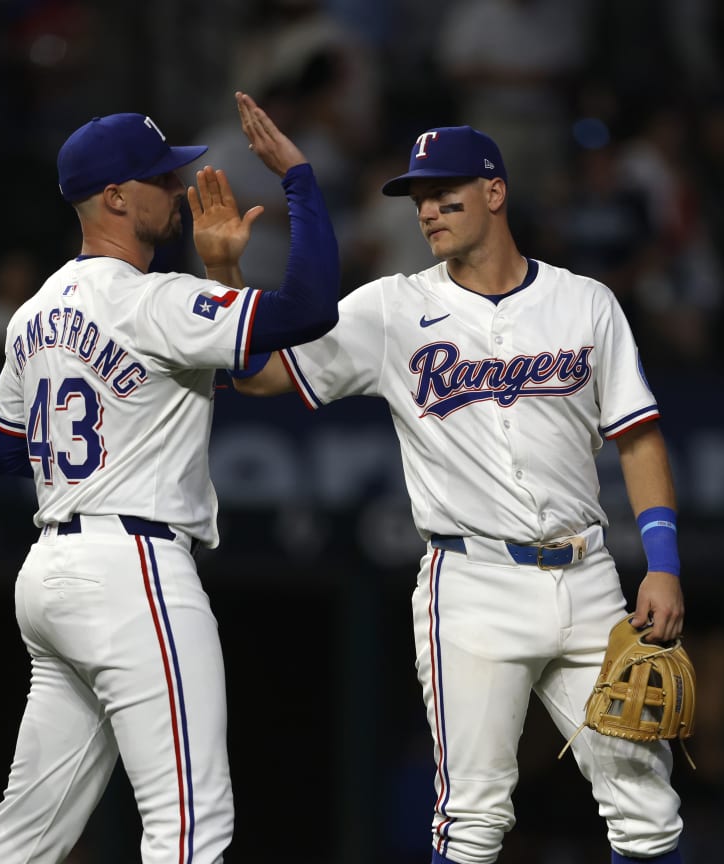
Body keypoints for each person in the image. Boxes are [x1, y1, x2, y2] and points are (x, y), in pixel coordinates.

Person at [235, 126, 687, 863]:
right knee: (473, 820)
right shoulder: (392, 309)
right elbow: (262, 375)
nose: (427, 211)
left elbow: (638, 438)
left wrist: (662, 564)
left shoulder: (585, 302)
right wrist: (225, 275)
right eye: (418, 199)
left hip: (589, 578)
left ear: (495, 192)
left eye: (445, 195)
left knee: (648, 810)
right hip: (474, 583)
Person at [0, 93, 339, 863]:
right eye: (160, 179)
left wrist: (219, 276)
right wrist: (299, 178)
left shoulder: (31, 312)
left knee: (24, 837)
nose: (178, 189)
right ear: (114, 197)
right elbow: (308, 308)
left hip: (50, 574)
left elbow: (4, 451)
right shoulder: (152, 301)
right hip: (132, 568)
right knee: (190, 828)